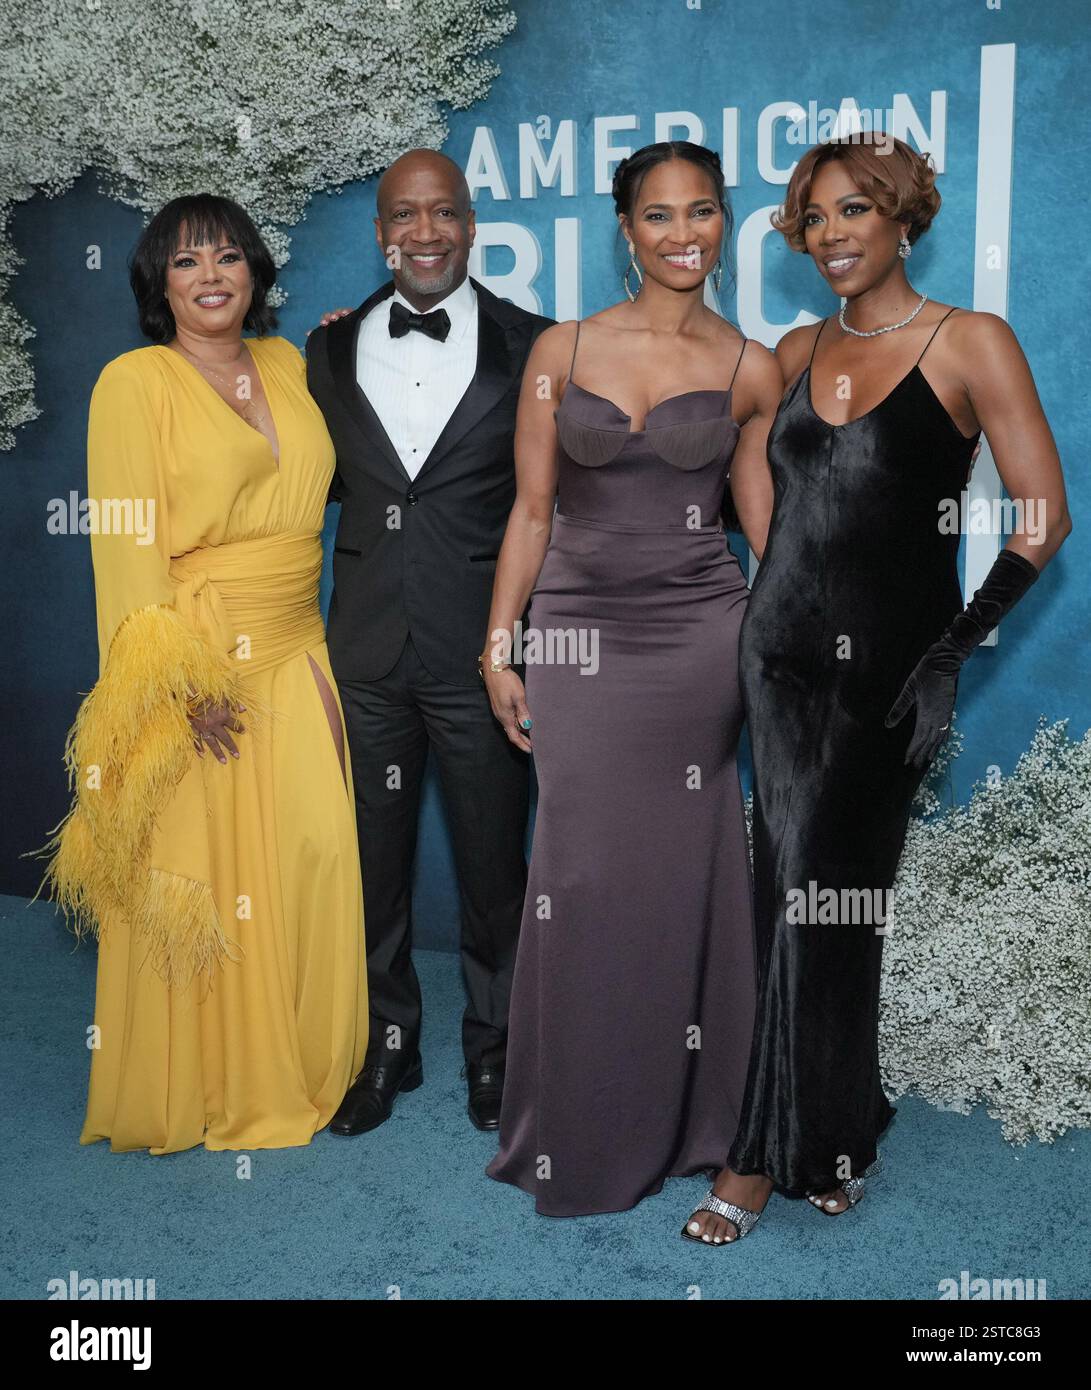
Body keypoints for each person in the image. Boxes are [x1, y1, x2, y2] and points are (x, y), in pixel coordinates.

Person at [683, 135, 1072, 1244]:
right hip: (781, 660)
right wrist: (766, 578)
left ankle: (767, 1153)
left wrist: (951, 648)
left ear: (902, 217)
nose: (833, 234)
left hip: (890, 679)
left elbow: (1041, 513)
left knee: (829, 896)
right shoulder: (796, 347)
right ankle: (828, 1134)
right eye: (813, 219)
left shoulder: (967, 341)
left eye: (854, 210)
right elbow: (734, 453)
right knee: (795, 895)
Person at [480, 142, 784, 1217]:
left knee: (687, 871)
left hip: (702, 636)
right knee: (583, 873)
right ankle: (581, 1124)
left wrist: (811, 641)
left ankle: (705, 1116)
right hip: (576, 637)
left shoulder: (751, 364)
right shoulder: (561, 349)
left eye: (700, 212)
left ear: (723, 223)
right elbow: (528, 510)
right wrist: (498, 642)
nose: (681, 234)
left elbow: (762, 527)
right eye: (657, 216)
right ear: (625, 229)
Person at [45, 194, 369, 1152]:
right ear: (158, 283)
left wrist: (349, 342)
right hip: (197, 668)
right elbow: (126, 544)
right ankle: (208, 1084)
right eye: (187, 263)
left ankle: (305, 1063)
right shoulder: (133, 382)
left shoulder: (288, 364)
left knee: (306, 861)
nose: (213, 276)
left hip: (298, 649)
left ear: (256, 273)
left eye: (229, 256)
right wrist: (173, 690)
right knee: (206, 876)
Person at [305, 150, 553, 1135]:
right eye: (404, 215)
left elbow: (560, 505)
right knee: (375, 865)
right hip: (362, 654)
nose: (424, 231)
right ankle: (387, 1045)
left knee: (496, 870)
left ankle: (494, 1051)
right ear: (379, 231)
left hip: (481, 659)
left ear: (471, 223)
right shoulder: (324, 352)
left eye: (442, 211)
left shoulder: (534, 346)